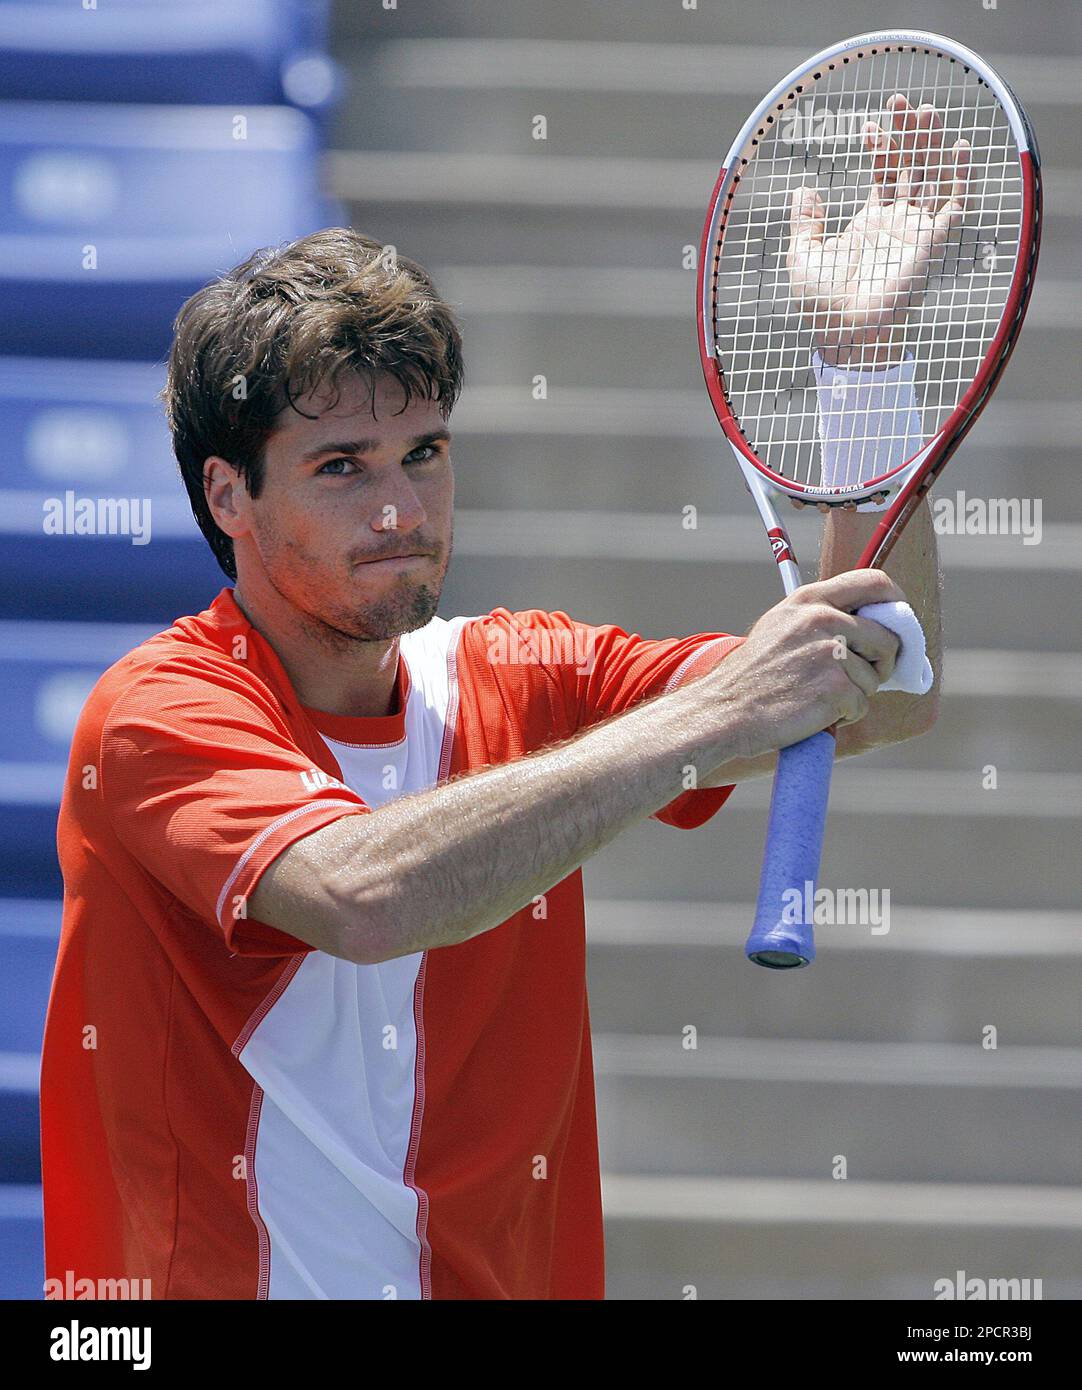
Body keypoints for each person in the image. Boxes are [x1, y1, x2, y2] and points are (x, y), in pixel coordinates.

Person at [42, 100, 957, 1300]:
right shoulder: (157, 709)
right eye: (341, 468)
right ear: (228, 493)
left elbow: (875, 696)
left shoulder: (526, 668)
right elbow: (362, 895)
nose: (401, 511)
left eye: (424, 452)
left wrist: (863, 379)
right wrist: (712, 716)